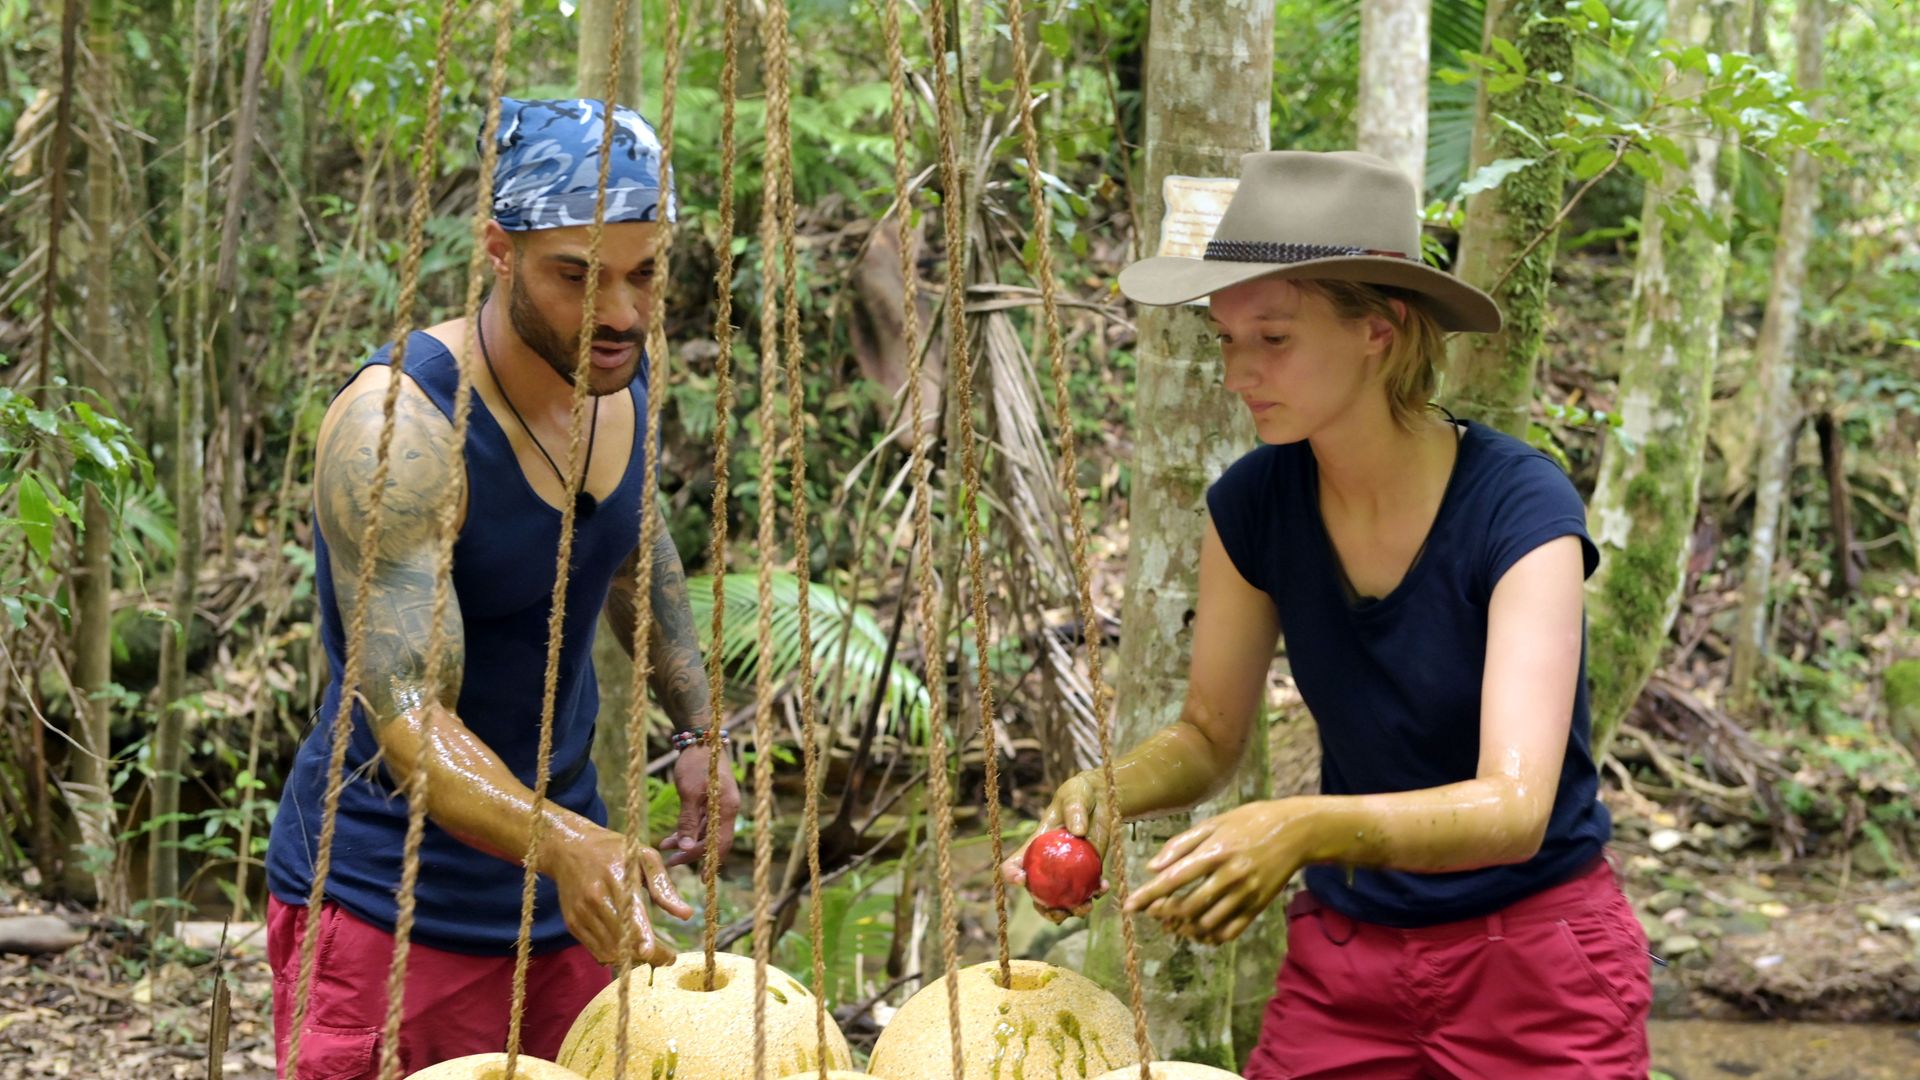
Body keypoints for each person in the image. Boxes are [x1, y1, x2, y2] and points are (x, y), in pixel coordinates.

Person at [1002, 151, 1652, 1077]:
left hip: (1537, 961)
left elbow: (1514, 806)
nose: (1238, 373)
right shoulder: (1252, 504)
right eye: (1225, 340)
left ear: (1379, 330)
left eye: (1272, 339)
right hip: (1350, 955)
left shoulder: (1520, 507)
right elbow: (1208, 734)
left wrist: (1298, 826)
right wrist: (1109, 791)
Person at [265, 98, 741, 1077]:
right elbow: (406, 719)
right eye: (578, 276)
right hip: (390, 913)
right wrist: (571, 844)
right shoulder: (398, 429)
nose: (620, 311)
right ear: (498, 249)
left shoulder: (615, 369)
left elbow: (633, 541)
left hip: (566, 913)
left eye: (644, 274)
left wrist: (700, 732)